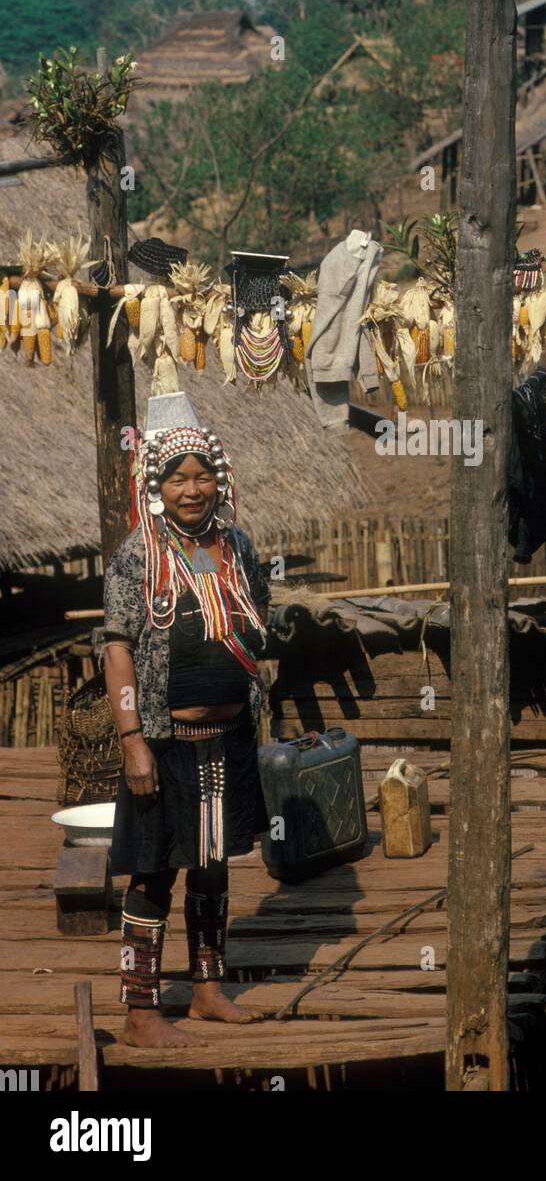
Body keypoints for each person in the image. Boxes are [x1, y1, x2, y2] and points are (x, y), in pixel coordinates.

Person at [102, 399, 271, 1048]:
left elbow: (258, 628)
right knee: (153, 871)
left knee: (212, 863)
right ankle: (140, 1011)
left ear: (217, 481)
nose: (192, 489)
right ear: (157, 486)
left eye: (202, 477)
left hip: (225, 740)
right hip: (163, 745)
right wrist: (132, 742)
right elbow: (116, 646)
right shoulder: (135, 558)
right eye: (178, 478)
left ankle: (205, 991)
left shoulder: (238, 548)